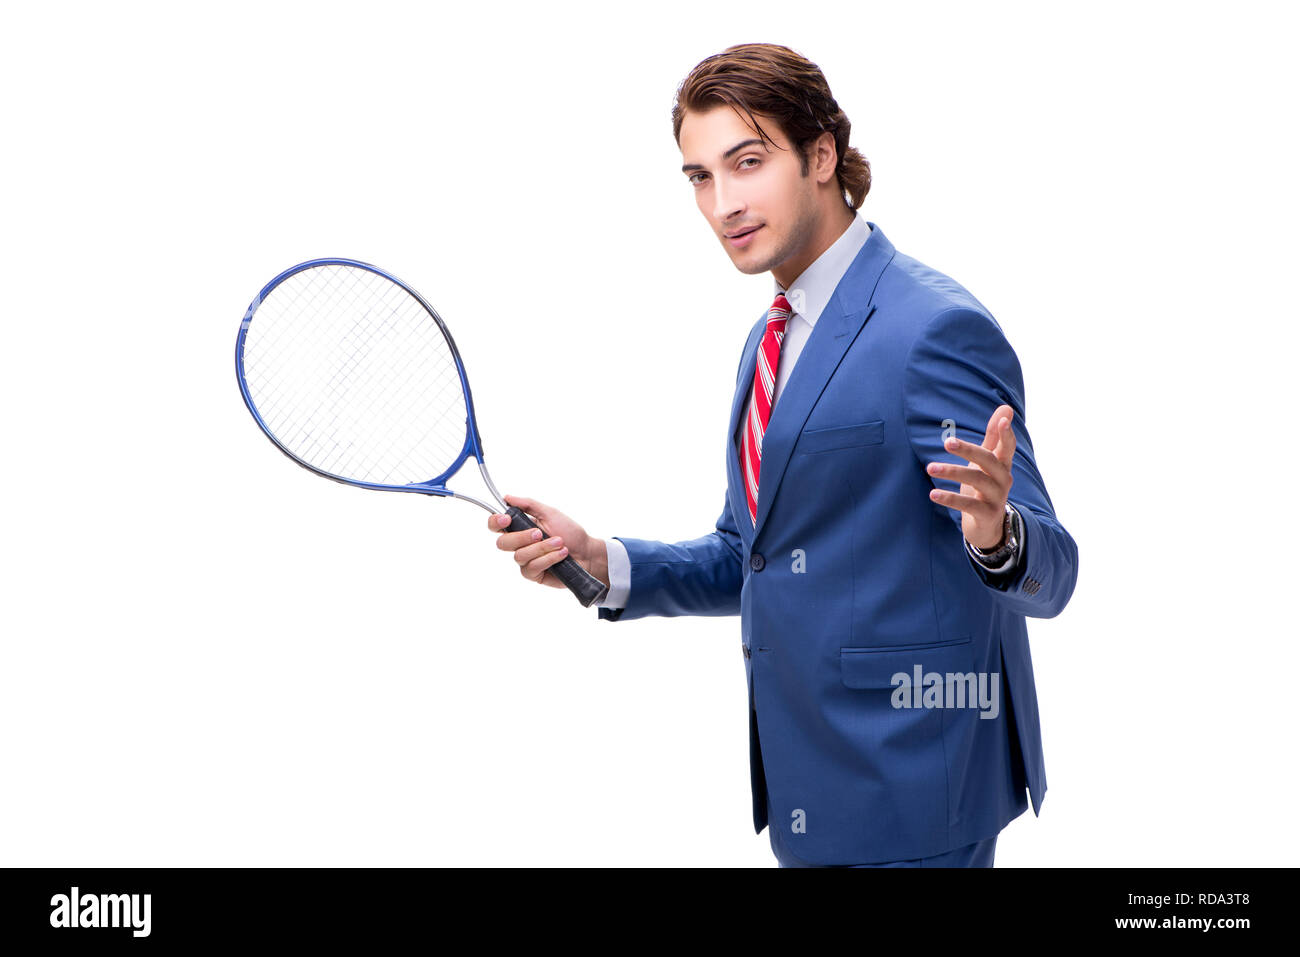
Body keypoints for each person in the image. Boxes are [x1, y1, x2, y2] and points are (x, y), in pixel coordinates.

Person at [487, 42, 1078, 867]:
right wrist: (602, 559)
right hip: (810, 789)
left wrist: (997, 535)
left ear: (822, 154)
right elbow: (751, 557)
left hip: (915, 798)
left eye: (748, 162)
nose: (723, 201)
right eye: (699, 176)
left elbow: (1058, 568)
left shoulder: (932, 328)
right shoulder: (772, 339)